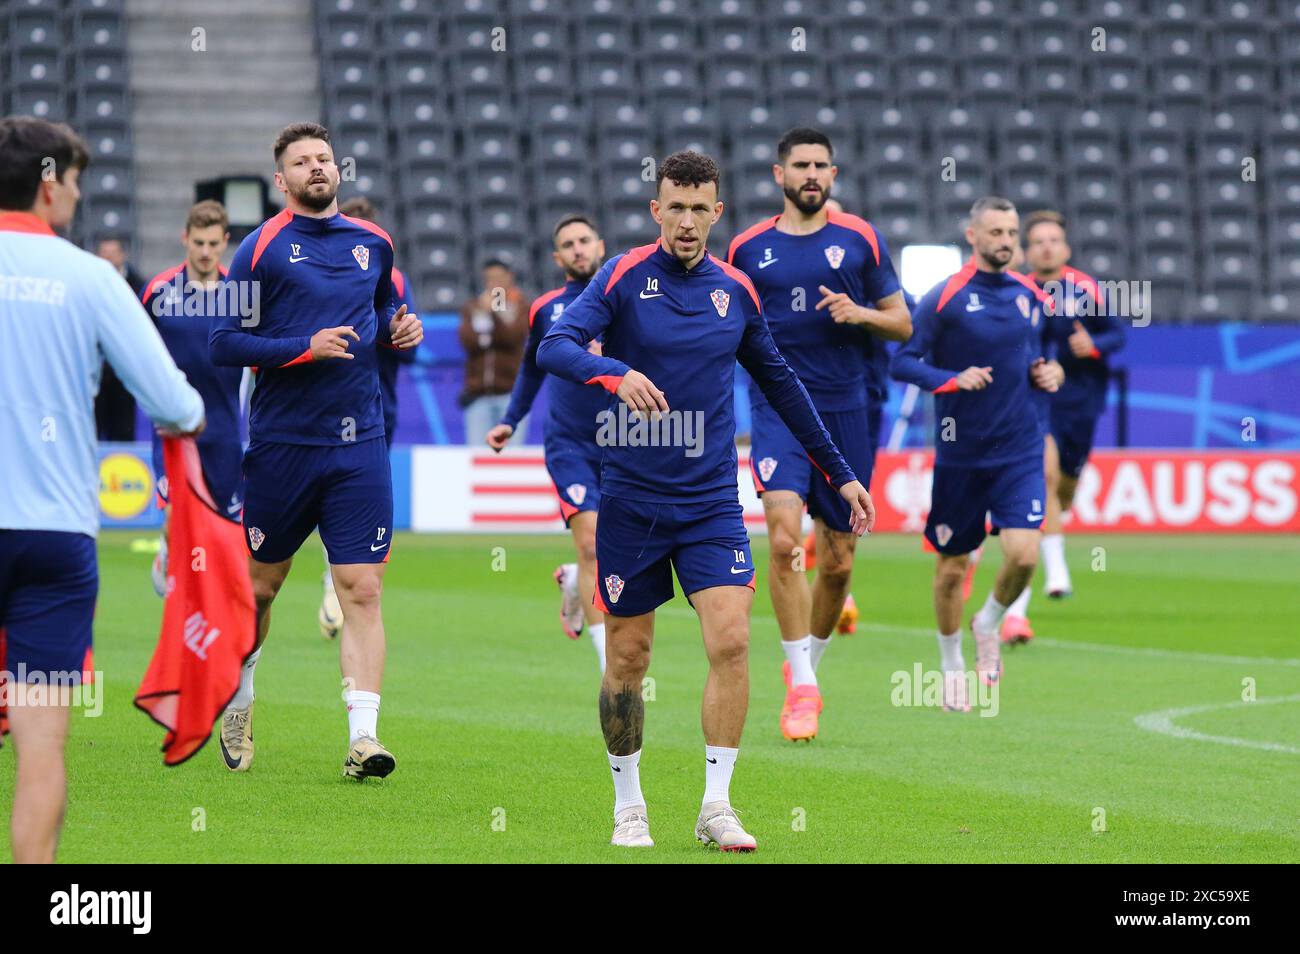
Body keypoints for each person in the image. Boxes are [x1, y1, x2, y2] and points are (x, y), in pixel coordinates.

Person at [537, 151, 874, 851]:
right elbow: (556, 344)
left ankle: (715, 805)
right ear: (656, 210)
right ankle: (629, 803)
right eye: (675, 207)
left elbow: (781, 383)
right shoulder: (623, 278)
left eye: (700, 209)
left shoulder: (737, 292)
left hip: (712, 501)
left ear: (717, 213)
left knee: (731, 639)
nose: (688, 221)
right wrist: (613, 371)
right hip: (630, 498)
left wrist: (840, 474)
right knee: (627, 657)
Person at [0, 116, 205, 862]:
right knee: (41, 744)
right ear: (49, 183)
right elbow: (178, 406)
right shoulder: (89, 277)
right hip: (53, 537)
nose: (79, 197)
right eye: (77, 181)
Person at [208, 122, 422, 779]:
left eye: (324, 159)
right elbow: (223, 342)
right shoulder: (261, 248)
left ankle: (364, 740)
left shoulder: (375, 244)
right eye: (301, 162)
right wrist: (302, 348)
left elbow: (389, 315)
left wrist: (401, 331)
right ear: (282, 180)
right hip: (282, 446)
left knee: (362, 589)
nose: (316, 169)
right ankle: (240, 699)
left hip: (360, 446)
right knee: (261, 588)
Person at [727, 128, 911, 741]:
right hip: (779, 409)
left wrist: (860, 313)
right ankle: (803, 684)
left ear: (833, 174)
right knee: (784, 542)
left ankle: (806, 666)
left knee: (836, 561)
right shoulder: (749, 248)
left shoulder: (860, 239)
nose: (812, 174)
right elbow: (722, 319)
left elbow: (903, 323)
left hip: (844, 409)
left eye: (821, 165)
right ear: (778, 174)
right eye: (800, 165)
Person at [890, 196, 1063, 712]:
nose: (1006, 241)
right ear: (973, 236)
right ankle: (950, 668)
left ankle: (988, 621)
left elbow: (1040, 356)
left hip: (1018, 450)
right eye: (996, 233)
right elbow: (903, 361)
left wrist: (1050, 372)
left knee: (1025, 554)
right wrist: (950, 379)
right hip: (961, 455)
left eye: (1012, 233)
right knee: (951, 568)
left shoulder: (1031, 295)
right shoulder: (944, 298)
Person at [486, 214, 611, 668]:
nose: (578, 249)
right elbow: (532, 367)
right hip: (570, 445)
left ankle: (578, 580)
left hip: (626, 442)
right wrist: (509, 420)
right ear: (558, 258)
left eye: (584, 240)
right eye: (568, 244)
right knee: (594, 542)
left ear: (600, 245)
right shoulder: (546, 309)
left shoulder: (628, 300)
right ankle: (608, 672)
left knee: (630, 550)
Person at [316, 197, 420, 641]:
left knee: (353, 499)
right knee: (326, 491)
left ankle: (345, 583)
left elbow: (405, 339)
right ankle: (333, 580)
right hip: (323, 404)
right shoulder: (316, 271)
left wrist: (400, 333)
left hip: (377, 407)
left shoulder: (392, 275)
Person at [141, 200, 246, 596]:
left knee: (226, 535)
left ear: (225, 243)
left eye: (213, 243)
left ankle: (215, 622)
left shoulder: (241, 296)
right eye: (198, 242)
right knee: (178, 522)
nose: (205, 251)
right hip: (172, 432)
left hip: (223, 433)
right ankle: (170, 555)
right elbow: (133, 351)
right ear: (185, 238)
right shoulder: (157, 292)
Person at [459, 259, 528, 444]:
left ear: (509, 278)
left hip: (510, 396)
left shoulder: (521, 307)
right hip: (478, 396)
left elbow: (513, 337)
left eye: (498, 278)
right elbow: (467, 340)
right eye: (489, 279)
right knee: (478, 455)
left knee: (511, 459)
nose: (493, 284)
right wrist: (489, 334)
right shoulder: (473, 306)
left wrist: (493, 315)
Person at [93, 236, 146, 441]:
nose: (108, 258)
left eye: (112, 253)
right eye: (103, 254)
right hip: (95, 375)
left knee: (123, 435)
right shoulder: (88, 285)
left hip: (125, 375)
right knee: (93, 436)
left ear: (122, 255)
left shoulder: (139, 286)